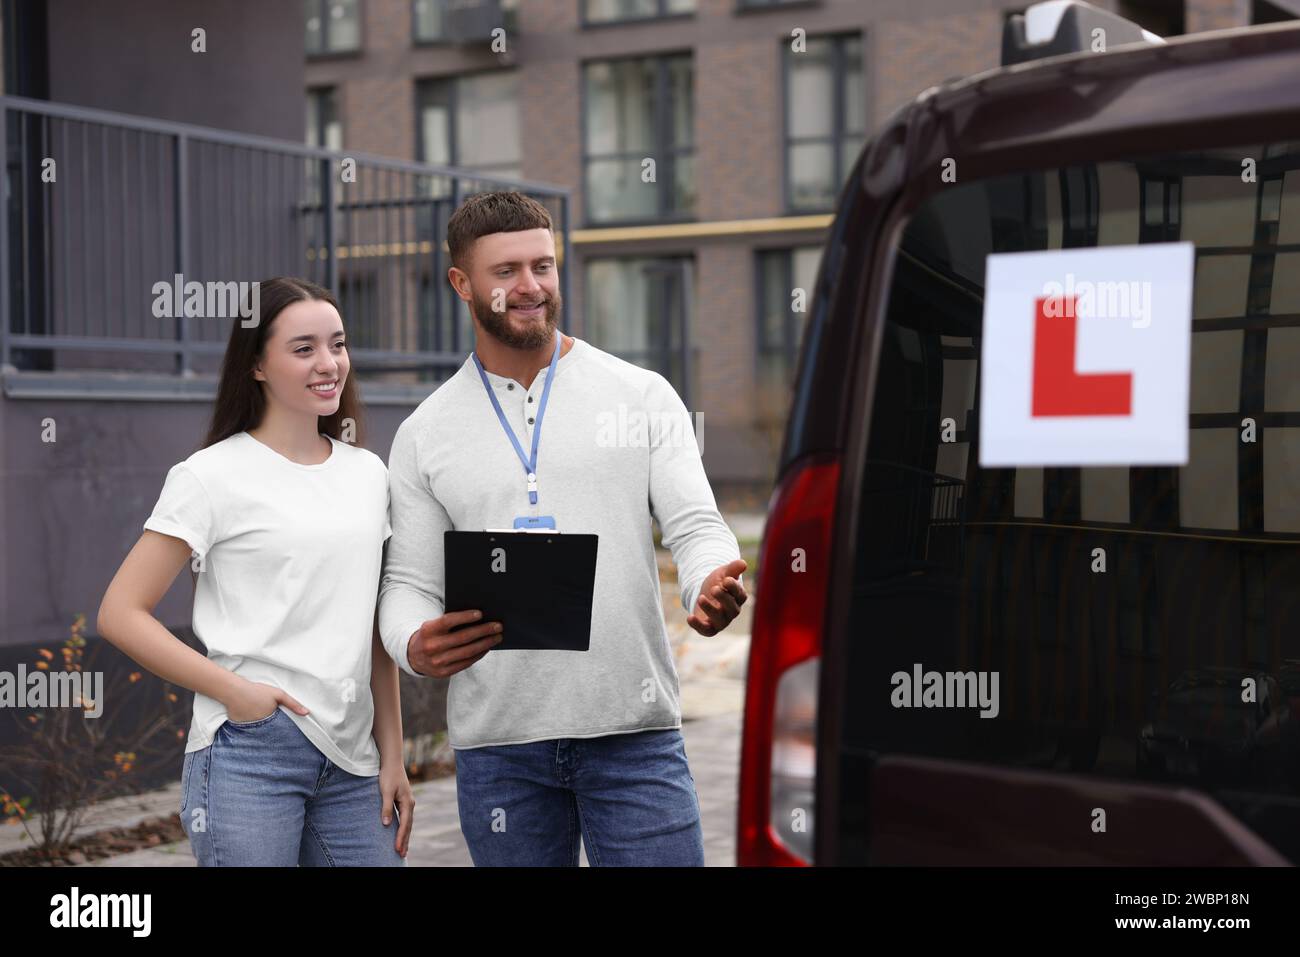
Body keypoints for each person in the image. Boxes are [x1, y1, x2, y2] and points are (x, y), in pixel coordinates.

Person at [378, 191, 748, 866]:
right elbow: (406, 582)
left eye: (543, 267)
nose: (531, 287)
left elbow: (696, 527)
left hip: (634, 735)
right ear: (461, 283)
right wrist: (413, 643)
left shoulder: (640, 395)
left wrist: (708, 580)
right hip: (499, 751)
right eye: (507, 271)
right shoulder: (424, 434)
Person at [97, 277, 412, 866]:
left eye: (337, 344)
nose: (329, 363)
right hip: (250, 752)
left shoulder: (369, 473)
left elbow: (372, 628)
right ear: (257, 366)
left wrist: (392, 755)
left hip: (353, 761)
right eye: (303, 349)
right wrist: (236, 694)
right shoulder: (210, 475)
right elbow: (120, 613)